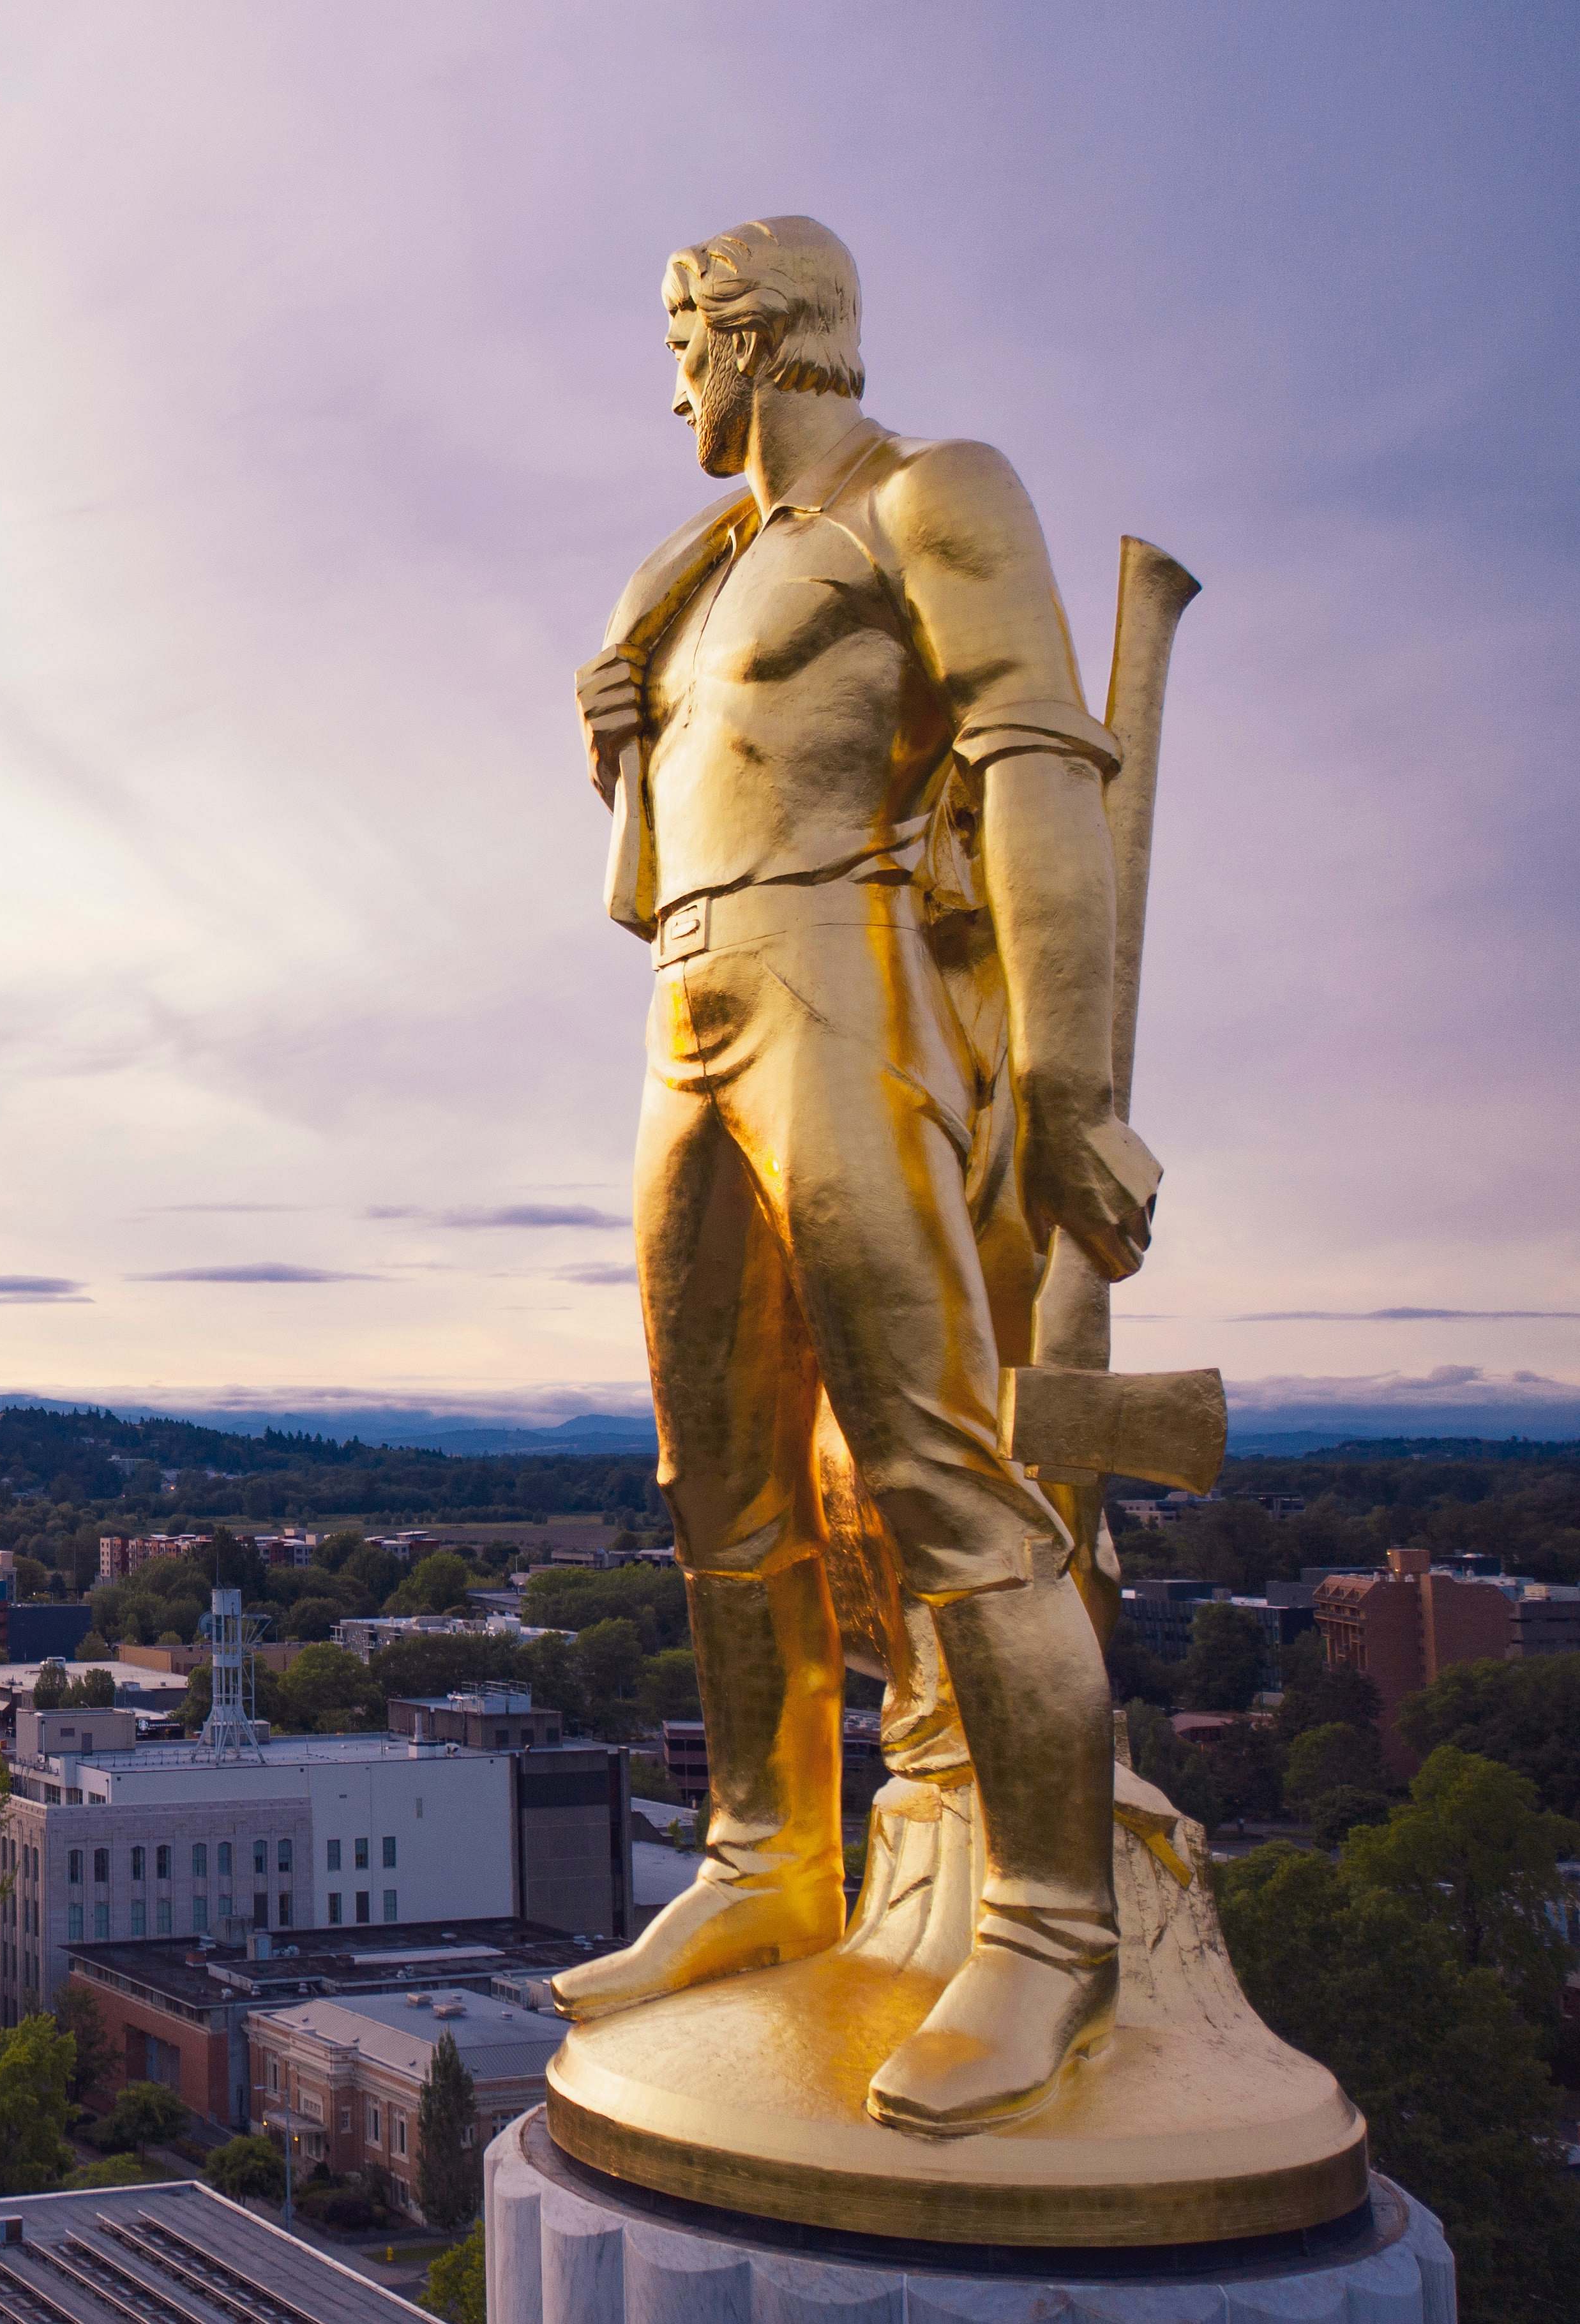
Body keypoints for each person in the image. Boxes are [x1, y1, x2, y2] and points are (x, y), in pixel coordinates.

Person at [546, 216, 1157, 2133]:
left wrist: (1063, 1083)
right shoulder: (702, 574)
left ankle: (1050, 1928)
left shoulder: (930, 494)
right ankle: (767, 1860)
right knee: (720, 1471)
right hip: (690, 1001)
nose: (673, 386)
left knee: (932, 1464)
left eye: (686, 342)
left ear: (766, 336)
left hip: (851, 970)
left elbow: (1037, 762)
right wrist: (623, 736)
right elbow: (667, 835)